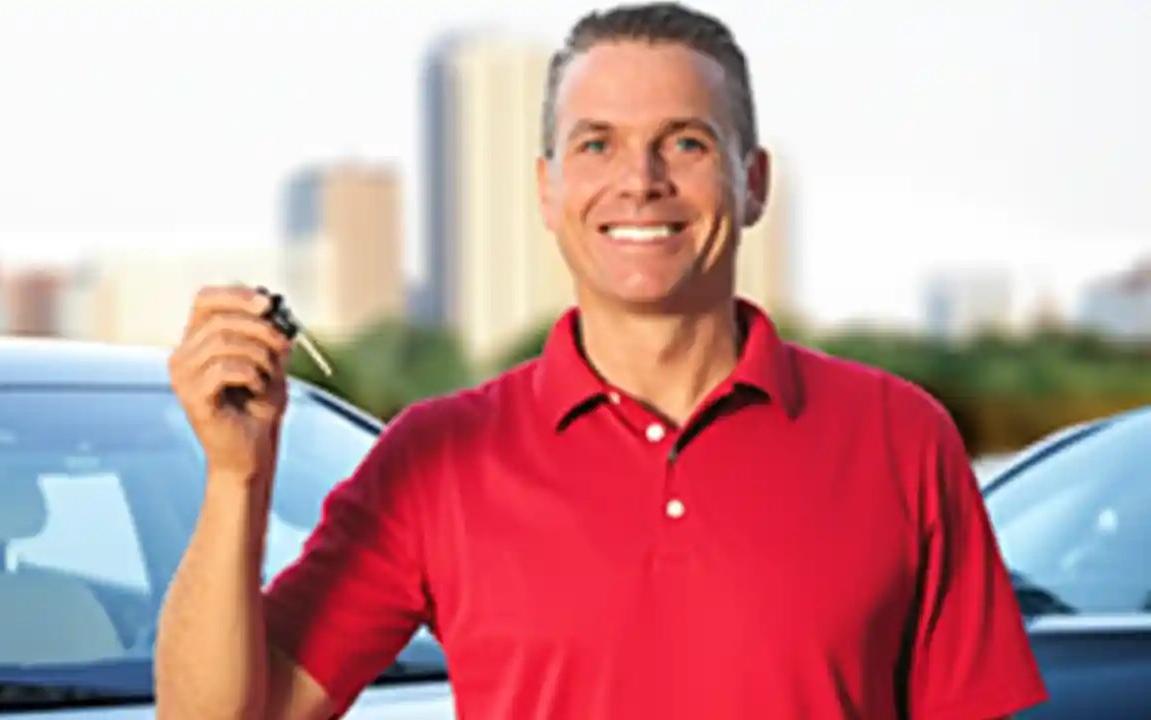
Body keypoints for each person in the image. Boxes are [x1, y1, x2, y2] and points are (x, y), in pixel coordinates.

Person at [154, 3, 1049, 718]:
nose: (641, 180)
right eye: (598, 144)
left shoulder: (899, 437)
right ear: (548, 187)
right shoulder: (435, 458)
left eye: (686, 142)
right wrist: (238, 478)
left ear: (754, 181)